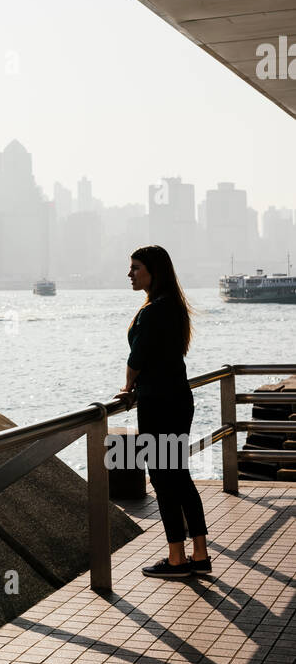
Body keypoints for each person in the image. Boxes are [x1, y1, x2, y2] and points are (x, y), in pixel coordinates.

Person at [117, 245, 211, 579]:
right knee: (179, 476)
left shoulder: (154, 310)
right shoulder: (174, 306)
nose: (130, 273)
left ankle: (176, 559)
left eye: (136, 268)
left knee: (162, 477)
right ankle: (199, 553)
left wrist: (127, 388)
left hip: (158, 403)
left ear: (154, 271)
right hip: (178, 400)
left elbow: (138, 358)